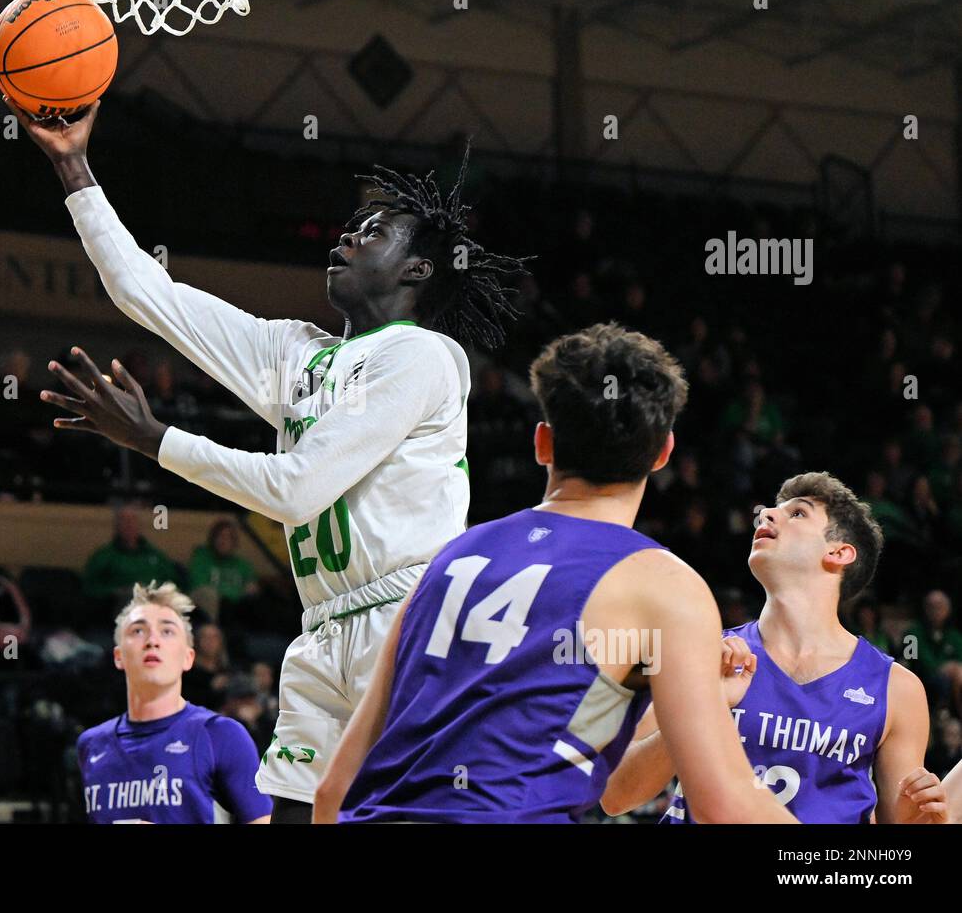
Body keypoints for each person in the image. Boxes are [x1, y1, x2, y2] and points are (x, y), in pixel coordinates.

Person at [14, 99, 529, 821]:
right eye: (350, 227)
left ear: (417, 267)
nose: (347, 236)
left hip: (411, 620)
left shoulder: (422, 356)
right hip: (323, 627)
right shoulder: (296, 354)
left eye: (372, 232)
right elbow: (145, 292)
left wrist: (153, 438)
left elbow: (296, 490)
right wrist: (73, 166)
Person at [315, 324, 796, 823]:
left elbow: (333, 789)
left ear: (543, 443)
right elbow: (726, 804)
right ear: (663, 453)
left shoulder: (448, 558)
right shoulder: (663, 584)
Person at [603, 472, 948, 825]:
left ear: (839, 552)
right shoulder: (705, 653)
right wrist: (709, 705)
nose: (766, 514)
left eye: (797, 513)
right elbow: (615, 795)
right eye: (770, 509)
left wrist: (918, 817)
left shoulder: (896, 688)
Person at [76, 582, 271, 824]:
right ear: (118, 656)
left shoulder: (220, 734)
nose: (152, 640)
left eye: (167, 631)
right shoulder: (90, 745)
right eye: (138, 631)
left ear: (188, 657)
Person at [80, 505, 181, 605]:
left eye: (133, 520)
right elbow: (90, 587)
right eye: (124, 521)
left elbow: (173, 582)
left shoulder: (155, 555)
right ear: (116, 526)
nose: (129, 524)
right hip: (119, 605)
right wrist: (115, 592)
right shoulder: (104, 556)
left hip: (154, 602)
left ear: (139, 525)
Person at [903, 589, 962, 717]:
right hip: (920, 682)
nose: (936, 611)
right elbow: (913, 663)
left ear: (948, 610)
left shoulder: (954, 635)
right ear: (925, 609)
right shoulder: (911, 635)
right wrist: (942, 668)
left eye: (940, 606)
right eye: (931, 607)